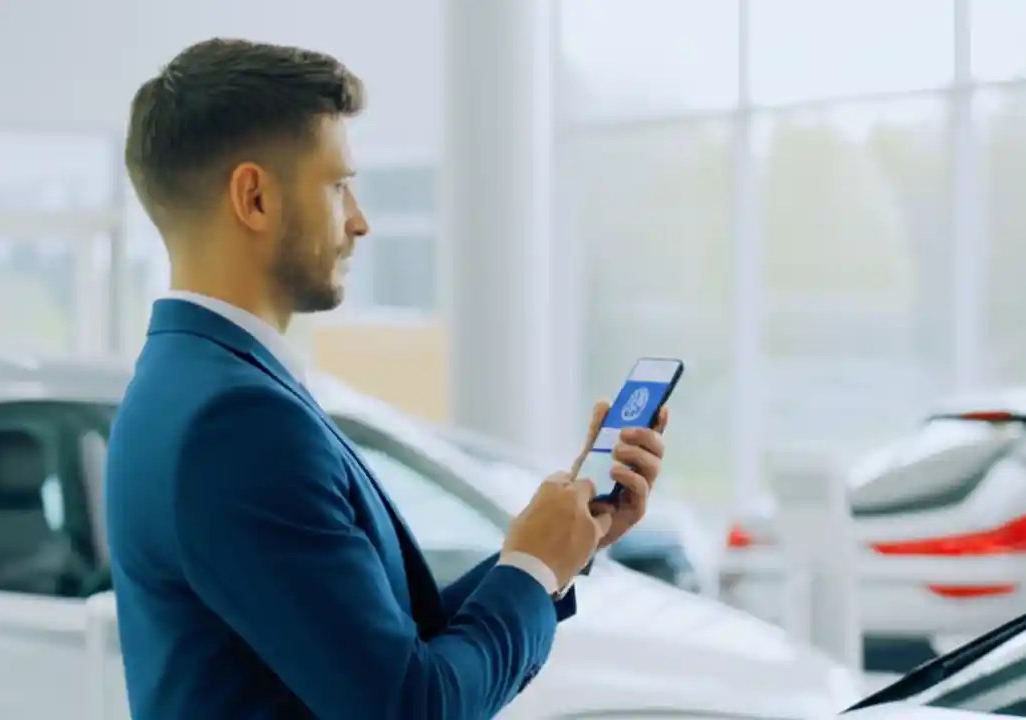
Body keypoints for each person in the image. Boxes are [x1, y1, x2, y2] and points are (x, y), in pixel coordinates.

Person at [105, 38, 669, 720]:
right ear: (253, 197)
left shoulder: (182, 383)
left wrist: (560, 547)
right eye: (338, 183)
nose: (359, 220)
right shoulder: (237, 420)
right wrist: (533, 569)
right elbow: (409, 707)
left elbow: (376, 652)